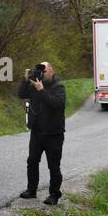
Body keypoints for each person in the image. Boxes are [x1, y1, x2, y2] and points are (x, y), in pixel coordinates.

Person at [18, 62, 66, 205]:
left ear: (52, 71)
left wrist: (42, 90)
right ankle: (31, 190)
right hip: (37, 132)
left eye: (44, 71)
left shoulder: (59, 87)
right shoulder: (35, 86)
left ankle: (54, 195)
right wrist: (25, 80)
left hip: (54, 133)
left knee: (53, 166)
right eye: (40, 71)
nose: (41, 74)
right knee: (32, 161)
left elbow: (56, 103)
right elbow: (21, 94)